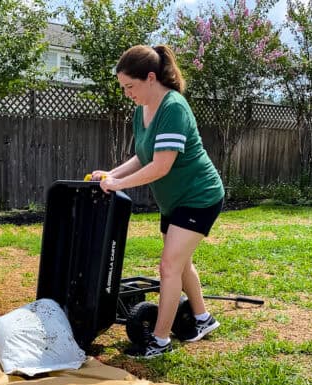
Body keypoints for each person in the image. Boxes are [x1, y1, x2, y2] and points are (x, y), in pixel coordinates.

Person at [91, 44, 226, 358]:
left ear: (150, 77)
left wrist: (119, 184)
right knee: (180, 264)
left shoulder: (173, 107)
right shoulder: (143, 110)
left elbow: (161, 165)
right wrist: (110, 175)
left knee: (169, 267)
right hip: (175, 201)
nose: (127, 93)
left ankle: (160, 340)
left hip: (199, 196)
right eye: (123, 87)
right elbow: (143, 156)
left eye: (130, 86)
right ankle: (203, 319)